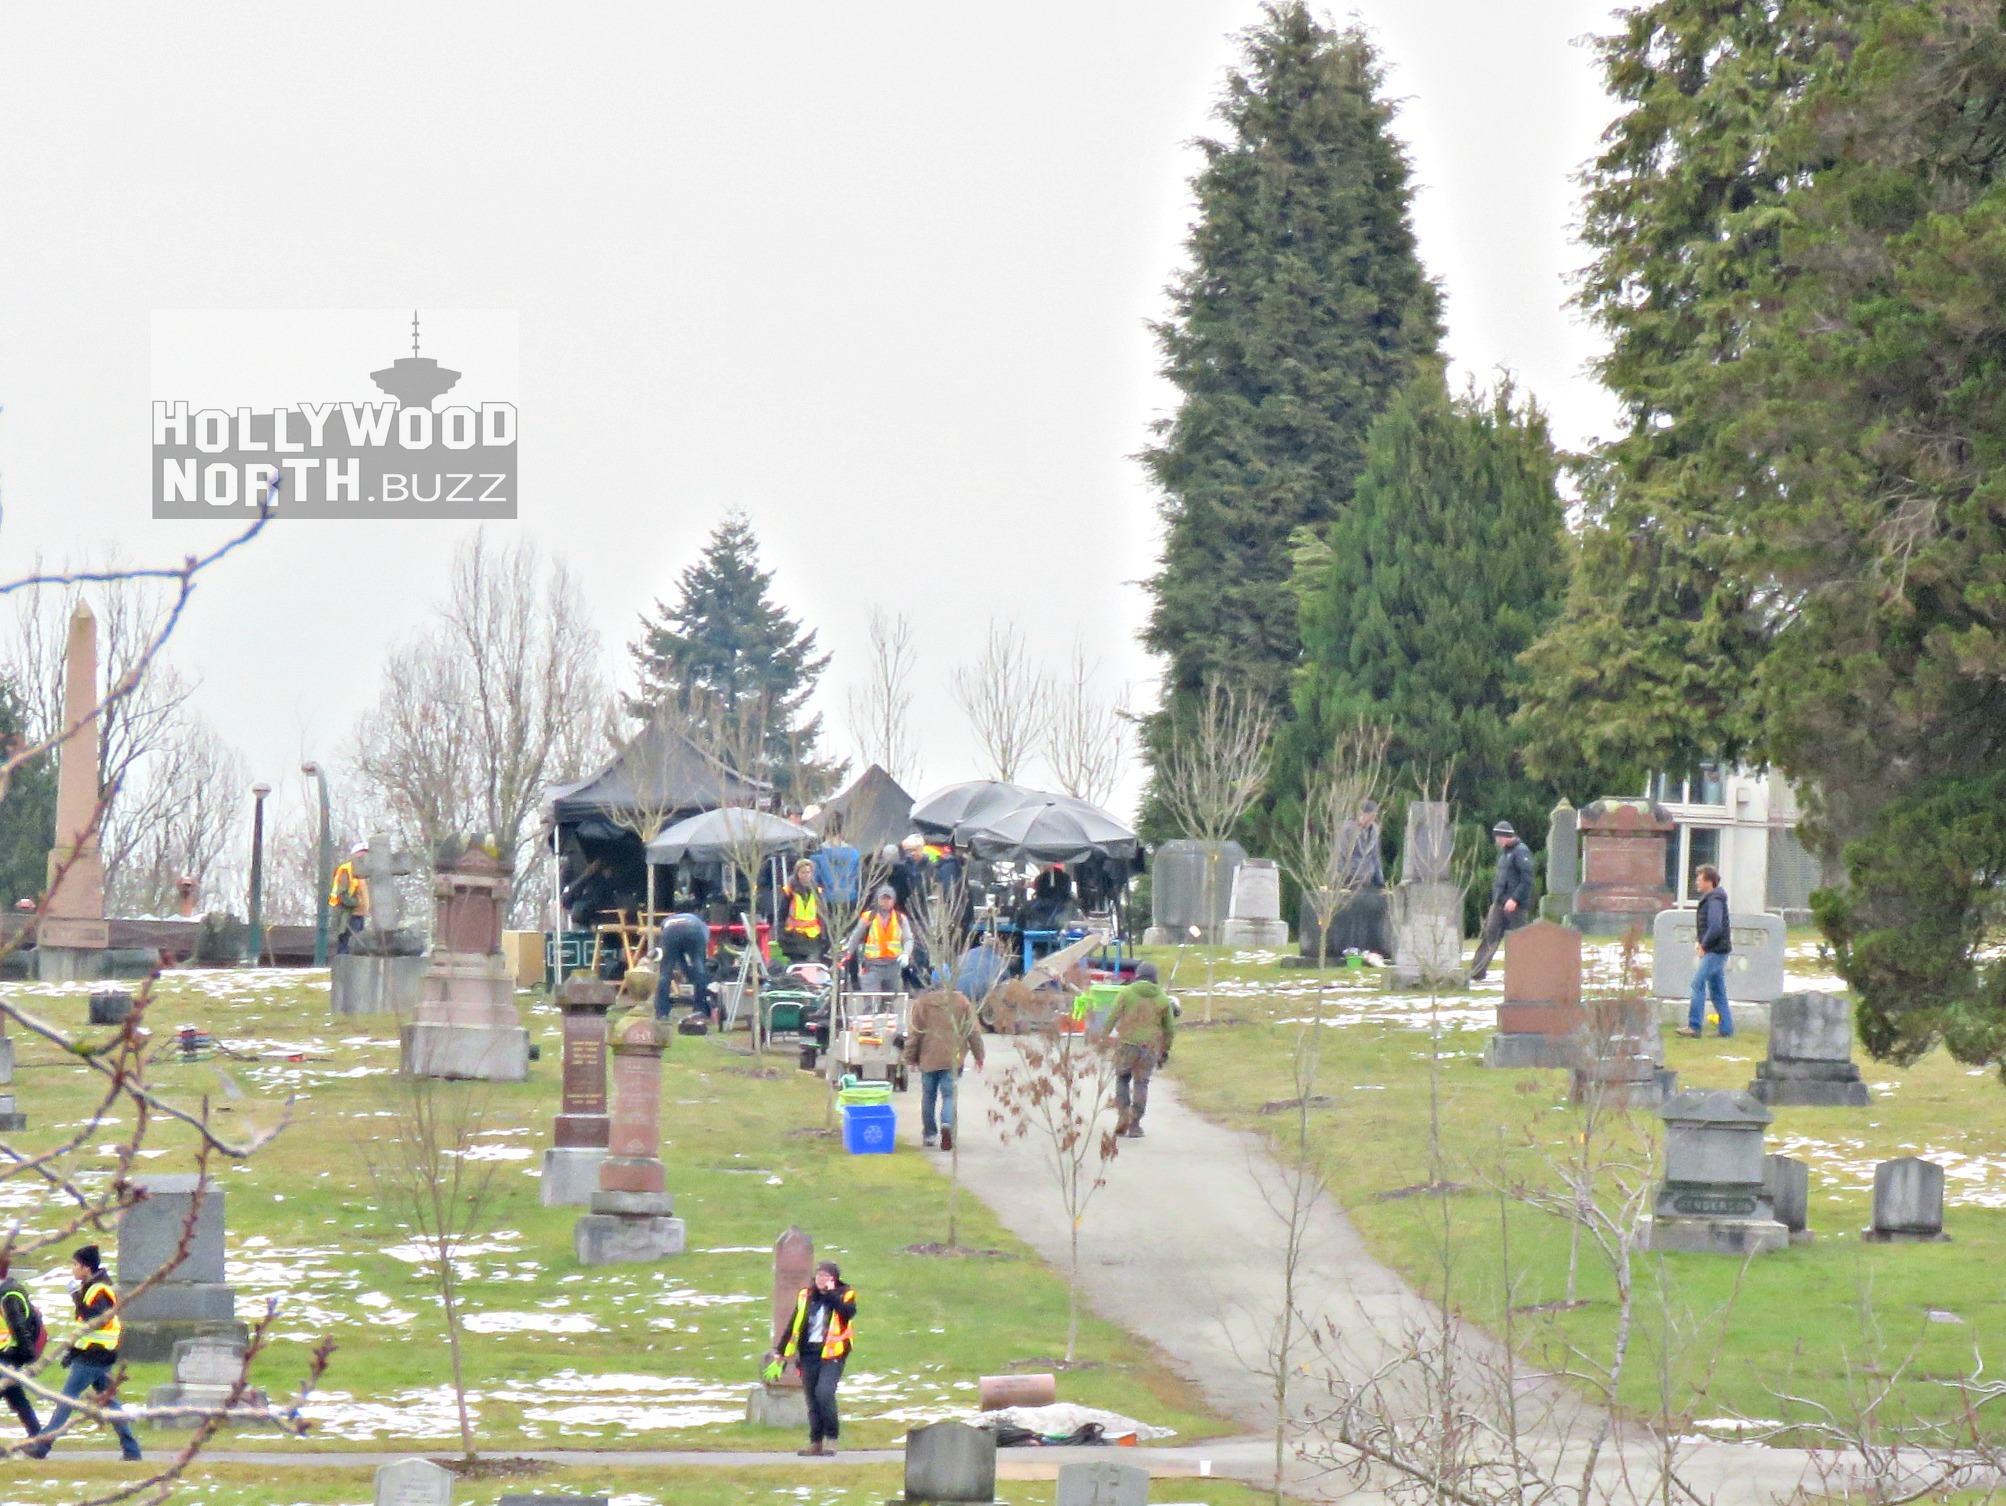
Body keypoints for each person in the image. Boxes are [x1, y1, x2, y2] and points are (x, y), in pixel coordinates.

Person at [26, 1245, 140, 1461]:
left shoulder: (98, 1290)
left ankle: (41, 1446)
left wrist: (75, 1295)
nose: (72, 1269)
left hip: (93, 1357)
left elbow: (95, 1320)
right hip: (96, 1354)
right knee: (110, 1403)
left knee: (66, 1401)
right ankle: (132, 1450)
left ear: (86, 1268)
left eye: (75, 1264)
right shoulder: (92, 1287)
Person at [777, 1260, 857, 1458]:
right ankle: (816, 1441)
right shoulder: (806, 1296)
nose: (822, 1280)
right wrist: (781, 1351)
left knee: (824, 1393)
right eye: (820, 1276)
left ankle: (832, 1437)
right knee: (812, 1398)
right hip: (809, 1353)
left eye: (827, 1276)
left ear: (835, 1279)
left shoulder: (845, 1294)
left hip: (833, 1353)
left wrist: (831, 1294)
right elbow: (795, 1323)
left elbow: (847, 1314)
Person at [903, 985, 984, 1150]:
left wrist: (910, 1057)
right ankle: (946, 1124)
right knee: (949, 1096)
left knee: (928, 1096)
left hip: (928, 1058)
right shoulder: (962, 1002)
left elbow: (915, 1033)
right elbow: (973, 1032)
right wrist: (979, 1056)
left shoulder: (922, 1003)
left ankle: (929, 1135)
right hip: (952, 1058)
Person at [1108, 960, 1175, 1139]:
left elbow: (1112, 1016)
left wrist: (1102, 1037)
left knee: (1122, 1078)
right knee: (1141, 1083)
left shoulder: (1126, 993)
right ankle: (1135, 1124)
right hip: (1149, 1047)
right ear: (1154, 978)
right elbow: (1170, 1029)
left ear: (1137, 975)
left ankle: (1123, 1116)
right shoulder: (1162, 997)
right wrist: (1165, 1050)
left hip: (1126, 1045)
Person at [1467, 821, 1535, 982]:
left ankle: (1522, 975)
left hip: (1516, 907)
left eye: (1498, 837)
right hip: (1499, 904)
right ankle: (1476, 972)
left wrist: (1515, 899)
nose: (1497, 841)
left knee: (1519, 941)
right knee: (1489, 938)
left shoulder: (1521, 852)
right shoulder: (1504, 853)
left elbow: (1527, 881)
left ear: (1506, 836)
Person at [1680, 864, 1734, 1039]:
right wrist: (1700, 941)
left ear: (1709, 882)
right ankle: (1726, 1029)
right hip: (1717, 949)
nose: (1696, 881)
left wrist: (1704, 944)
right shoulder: (1712, 898)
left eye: (1699, 878)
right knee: (1717, 990)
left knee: (1697, 983)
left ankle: (1694, 1026)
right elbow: (1708, 926)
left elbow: (1716, 926)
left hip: (1716, 950)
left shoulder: (1715, 900)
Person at [0, 1255, 43, 1440]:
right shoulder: (8, 1293)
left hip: (9, 1355)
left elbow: (18, 1326)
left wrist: (23, 1353)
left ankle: (39, 1439)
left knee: (16, 1398)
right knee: (16, 1398)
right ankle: (38, 1438)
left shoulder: (9, 1297)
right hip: (9, 1354)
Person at [652, 905, 714, 1024]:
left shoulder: (668, 920)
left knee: (665, 972)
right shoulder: (699, 922)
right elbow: (703, 945)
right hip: (693, 931)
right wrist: (691, 972)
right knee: (700, 969)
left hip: (669, 933)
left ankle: (661, 1012)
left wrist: (684, 969)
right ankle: (700, 1009)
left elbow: (675, 950)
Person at [845, 887, 911, 996]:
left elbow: (908, 939)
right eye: (882, 899)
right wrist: (846, 955)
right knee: (870, 999)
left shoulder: (901, 918)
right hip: (872, 965)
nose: (885, 902)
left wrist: (906, 954)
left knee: (890, 1002)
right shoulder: (868, 917)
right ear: (877, 900)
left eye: (888, 899)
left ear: (893, 901)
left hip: (893, 966)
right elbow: (855, 938)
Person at [779, 859, 827, 964]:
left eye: (808, 872)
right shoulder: (789, 890)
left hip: (813, 937)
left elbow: (822, 915)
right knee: (798, 966)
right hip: (793, 937)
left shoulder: (817, 891)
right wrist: (781, 935)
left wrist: (824, 935)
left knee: (812, 966)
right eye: (803, 872)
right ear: (797, 873)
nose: (806, 875)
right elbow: (782, 914)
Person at [328, 841, 370, 954]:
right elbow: (342, 894)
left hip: (360, 915)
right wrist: (356, 903)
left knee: (356, 947)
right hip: (348, 915)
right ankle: (343, 970)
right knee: (347, 946)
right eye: (361, 853)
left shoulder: (364, 872)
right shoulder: (346, 869)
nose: (364, 856)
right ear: (354, 854)